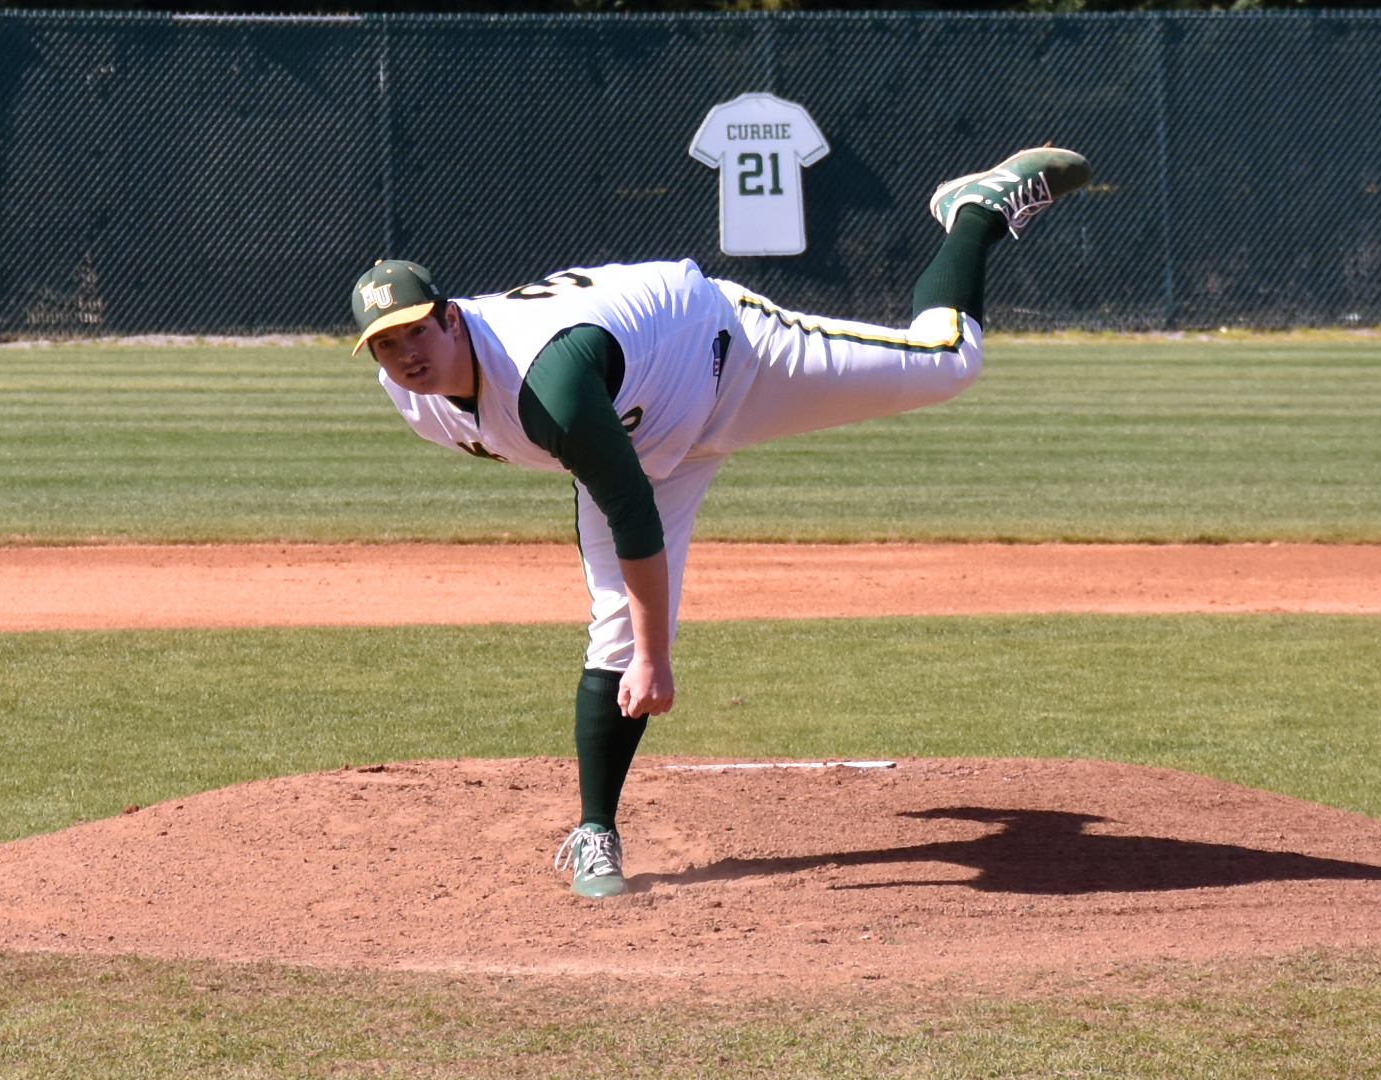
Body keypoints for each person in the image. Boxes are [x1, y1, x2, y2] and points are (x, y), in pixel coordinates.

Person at [349, 147, 1091, 897]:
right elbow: (601, 476)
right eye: (385, 343)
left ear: (448, 317)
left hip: (726, 358)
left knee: (947, 361)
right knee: (613, 628)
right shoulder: (412, 396)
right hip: (636, 431)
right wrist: (637, 643)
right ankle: (596, 833)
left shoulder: (551, 385)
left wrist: (657, 658)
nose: (405, 353)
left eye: (415, 330)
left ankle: (977, 211)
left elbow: (629, 507)